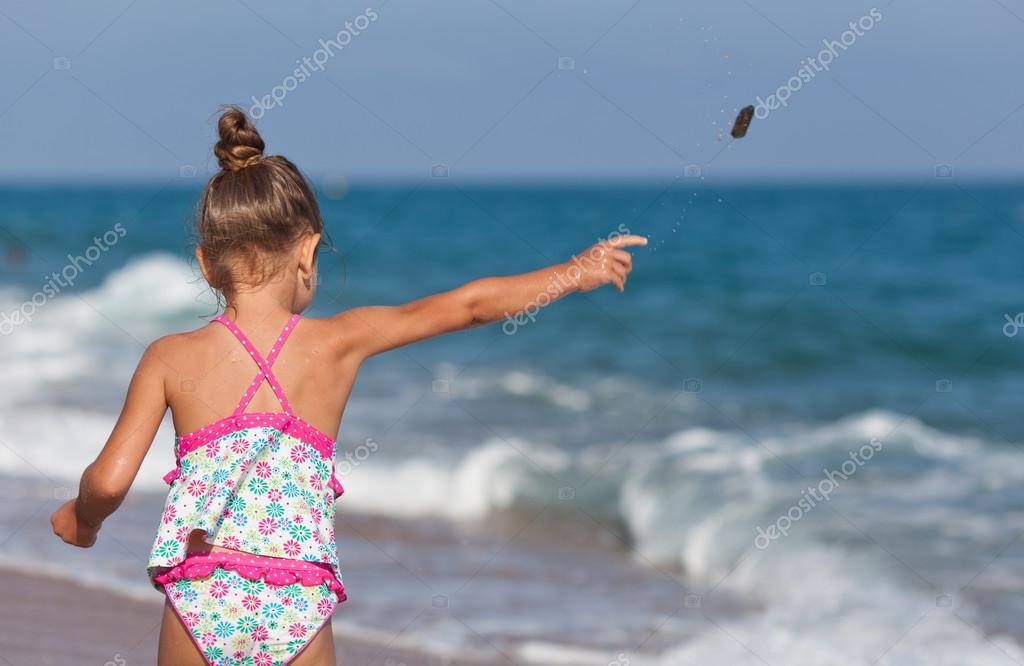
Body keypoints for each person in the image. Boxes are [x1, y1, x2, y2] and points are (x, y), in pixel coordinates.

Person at [50, 106, 646, 665]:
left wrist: (85, 520)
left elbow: (108, 481)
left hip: (201, 594)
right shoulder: (339, 341)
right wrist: (573, 272)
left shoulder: (169, 356)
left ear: (206, 264)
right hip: (300, 601)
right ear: (308, 249)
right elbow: (466, 307)